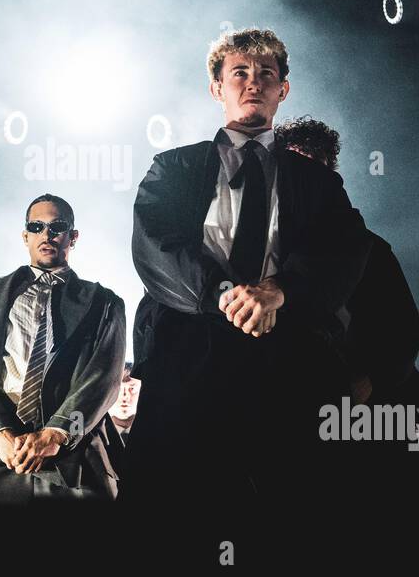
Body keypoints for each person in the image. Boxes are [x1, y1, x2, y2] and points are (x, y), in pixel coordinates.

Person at [125, 28, 373, 506]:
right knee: (171, 505)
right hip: (187, 359)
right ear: (217, 88)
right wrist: (223, 296)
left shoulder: (317, 182)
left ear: (284, 90)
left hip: (289, 363)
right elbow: (154, 246)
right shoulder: (173, 167)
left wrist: (279, 290)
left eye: (266, 74)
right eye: (239, 73)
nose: (253, 82)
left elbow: (345, 248)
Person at [274, 115, 419, 514]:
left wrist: (374, 378)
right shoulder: (260, 247)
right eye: (291, 163)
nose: (301, 176)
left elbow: (402, 326)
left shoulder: (366, 246)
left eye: (310, 165)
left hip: (366, 413)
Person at [0, 194, 126, 502]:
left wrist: (54, 434)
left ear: (73, 237)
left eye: (57, 226)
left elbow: (104, 377)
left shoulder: (105, 302)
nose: (47, 235)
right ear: (25, 236)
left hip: (72, 460)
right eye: (36, 226)